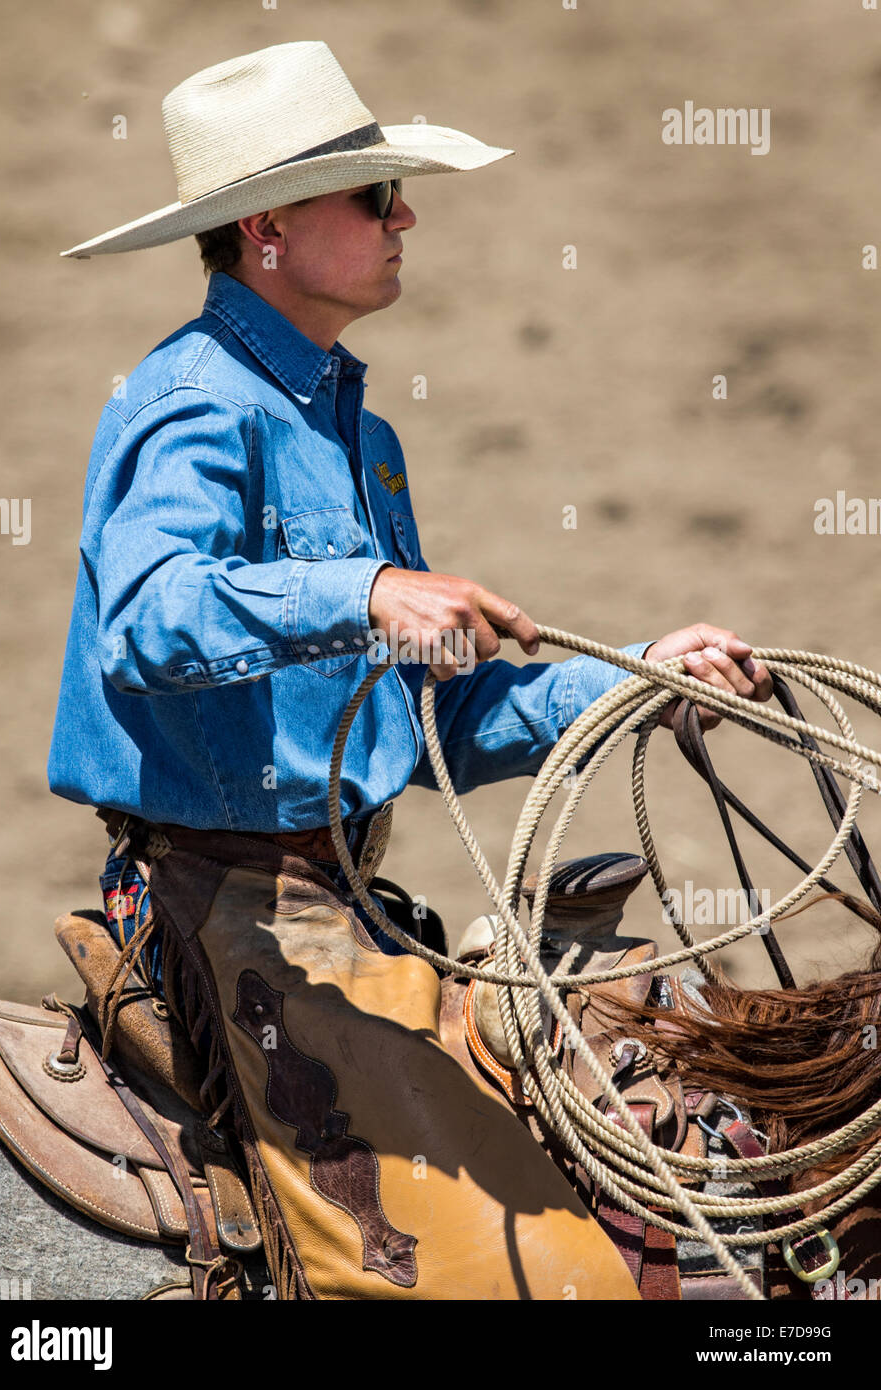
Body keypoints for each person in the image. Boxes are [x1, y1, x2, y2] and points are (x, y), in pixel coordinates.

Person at [47, 41, 771, 1301]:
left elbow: (436, 719)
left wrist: (640, 679)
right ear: (267, 228)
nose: (405, 218)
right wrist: (367, 589)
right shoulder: (190, 403)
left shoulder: (357, 437)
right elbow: (148, 617)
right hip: (240, 917)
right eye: (374, 198)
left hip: (347, 905)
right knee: (548, 1284)